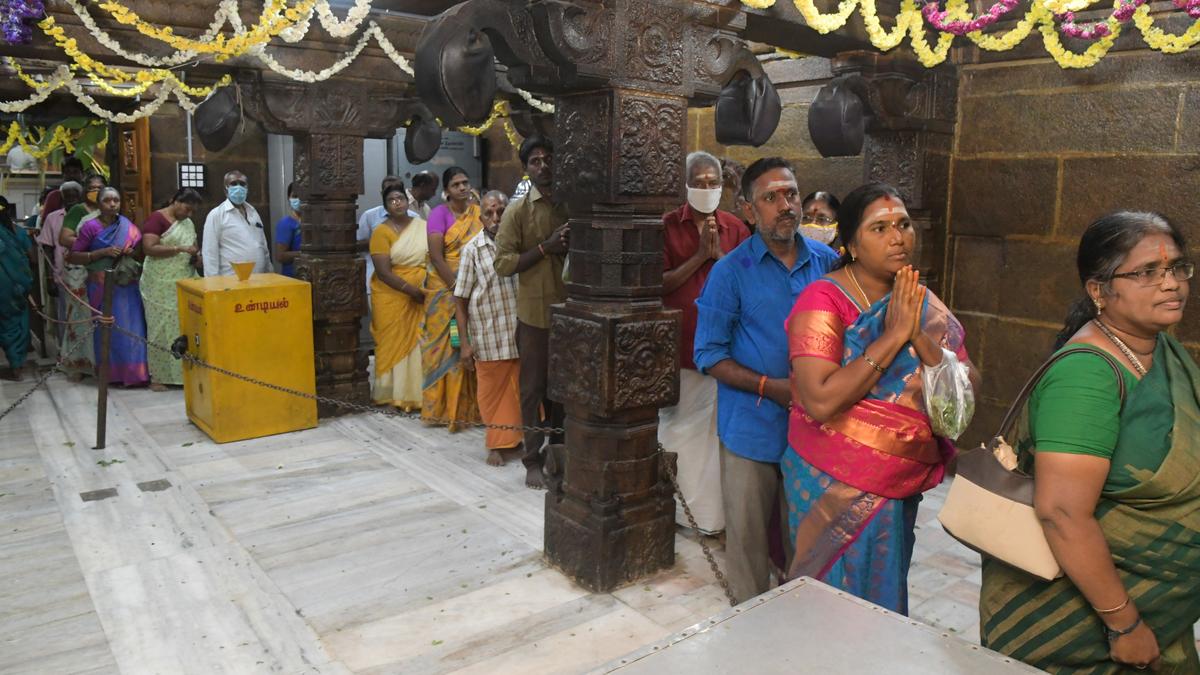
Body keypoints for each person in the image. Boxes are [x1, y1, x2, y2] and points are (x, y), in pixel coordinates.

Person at [980, 212, 1200, 673]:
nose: (1171, 283)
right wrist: (1124, 625)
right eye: (1146, 272)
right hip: (1090, 626)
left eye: (1178, 267)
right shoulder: (1087, 376)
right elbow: (1062, 512)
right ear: (1099, 291)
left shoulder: (1159, 348)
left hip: (1164, 602)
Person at [785, 182, 975, 614]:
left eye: (904, 224)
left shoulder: (919, 302)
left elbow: (964, 394)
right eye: (880, 228)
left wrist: (922, 341)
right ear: (851, 243)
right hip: (830, 481)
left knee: (884, 593)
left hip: (897, 483)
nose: (898, 237)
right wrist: (893, 336)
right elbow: (819, 399)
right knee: (828, 599)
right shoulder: (824, 298)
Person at [693, 157, 839, 603]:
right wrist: (770, 387)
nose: (786, 205)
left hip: (814, 433)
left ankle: (798, 629)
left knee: (810, 543)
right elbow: (708, 353)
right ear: (750, 210)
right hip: (752, 433)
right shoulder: (730, 272)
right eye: (770, 197)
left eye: (791, 194)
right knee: (749, 549)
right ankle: (748, 637)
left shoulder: (828, 263)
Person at [659, 151, 751, 534]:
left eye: (714, 182)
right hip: (681, 347)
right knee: (682, 431)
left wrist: (721, 256)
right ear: (685, 185)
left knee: (719, 438)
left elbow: (749, 280)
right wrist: (700, 257)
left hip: (727, 351)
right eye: (699, 182)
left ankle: (715, 517)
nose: (707, 189)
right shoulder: (667, 225)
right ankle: (683, 513)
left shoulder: (736, 228)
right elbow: (658, 284)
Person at [495, 136, 569, 490]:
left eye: (548, 158)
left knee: (566, 388)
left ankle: (560, 452)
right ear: (526, 168)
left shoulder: (572, 204)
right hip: (536, 317)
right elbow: (503, 263)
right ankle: (532, 459)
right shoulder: (518, 211)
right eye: (536, 161)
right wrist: (545, 247)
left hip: (572, 314)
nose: (544, 166)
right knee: (532, 390)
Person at [454, 190, 523, 465]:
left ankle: (516, 441)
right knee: (492, 395)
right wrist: (463, 344)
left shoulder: (521, 243)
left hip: (520, 334)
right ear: (480, 217)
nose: (496, 218)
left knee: (521, 392)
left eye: (501, 211)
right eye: (489, 213)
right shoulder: (472, 250)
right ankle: (496, 445)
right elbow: (459, 301)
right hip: (488, 338)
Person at [422, 166, 483, 430]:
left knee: (473, 342)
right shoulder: (439, 214)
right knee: (446, 346)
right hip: (445, 287)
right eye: (456, 184)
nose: (462, 187)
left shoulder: (478, 213)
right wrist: (457, 286)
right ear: (446, 190)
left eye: (465, 182)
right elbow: (436, 256)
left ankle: (475, 409)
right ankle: (445, 411)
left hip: (476, 285)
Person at [68, 187, 148, 387]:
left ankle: (135, 374)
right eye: (107, 201)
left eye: (116, 200)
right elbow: (73, 255)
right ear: (99, 204)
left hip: (126, 285)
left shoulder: (126, 225)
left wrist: (129, 251)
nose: (112, 204)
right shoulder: (90, 227)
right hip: (101, 285)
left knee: (132, 328)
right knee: (108, 330)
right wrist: (101, 252)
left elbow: (138, 250)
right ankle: (111, 375)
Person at [369, 183, 428, 410]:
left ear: (407, 201)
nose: (397, 203)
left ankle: (419, 394)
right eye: (392, 200)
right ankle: (394, 394)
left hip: (423, 292)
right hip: (392, 296)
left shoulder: (422, 226)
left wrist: (424, 287)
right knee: (392, 344)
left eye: (400, 198)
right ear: (385, 206)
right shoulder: (381, 232)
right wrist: (411, 290)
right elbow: (383, 273)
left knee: (419, 343)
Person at [140, 188, 202, 391]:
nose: (189, 214)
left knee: (184, 327)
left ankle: (183, 375)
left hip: (184, 279)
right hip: (159, 283)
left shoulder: (188, 223)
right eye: (186, 208)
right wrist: (179, 249)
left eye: (192, 211)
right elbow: (149, 248)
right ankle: (158, 376)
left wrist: (195, 257)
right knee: (160, 329)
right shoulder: (157, 219)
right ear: (175, 201)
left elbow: (192, 246)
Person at [57, 173, 105, 381]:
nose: (95, 192)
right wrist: (92, 244)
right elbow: (65, 238)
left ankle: (100, 364)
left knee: (101, 317)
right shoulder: (78, 211)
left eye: (99, 188)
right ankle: (77, 364)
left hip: (102, 270)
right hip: (79, 271)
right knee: (79, 318)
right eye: (91, 188)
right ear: (85, 191)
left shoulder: (110, 208)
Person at [35, 181, 81, 346]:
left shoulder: (88, 217)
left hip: (85, 275)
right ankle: (65, 355)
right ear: (62, 198)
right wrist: (48, 278)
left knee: (85, 317)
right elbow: (47, 248)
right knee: (64, 316)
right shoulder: (53, 218)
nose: (70, 200)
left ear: (79, 197)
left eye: (73, 196)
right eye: (66, 196)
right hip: (61, 275)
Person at [202, 170, 269, 277]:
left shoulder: (253, 212)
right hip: (231, 280)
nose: (238, 187)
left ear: (247, 189)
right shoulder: (216, 215)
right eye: (233, 184)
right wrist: (213, 284)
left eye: (242, 184)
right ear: (225, 189)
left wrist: (269, 272)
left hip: (259, 278)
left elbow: (263, 245)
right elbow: (209, 253)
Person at [358, 176, 413, 303]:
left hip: (409, 283)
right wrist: (380, 241)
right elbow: (357, 245)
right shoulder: (369, 216)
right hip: (377, 280)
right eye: (388, 190)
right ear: (382, 194)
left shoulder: (415, 219)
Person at [0, 196, 34, 381]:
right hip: (18, 285)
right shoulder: (18, 231)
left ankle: (14, 362)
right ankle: (17, 363)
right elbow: (32, 256)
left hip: (2, 288)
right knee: (19, 320)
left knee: (5, 324)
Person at [38, 156, 85, 224]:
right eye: (68, 172)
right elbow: (44, 223)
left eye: (75, 172)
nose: (71, 175)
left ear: (83, 174)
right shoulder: (53, 196)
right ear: (62, 175)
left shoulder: (87, 195)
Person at [275, 182, 302, 277]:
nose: (298, 199)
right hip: (293, 277)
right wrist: (305, 254)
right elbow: (280, 256)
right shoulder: (286, 223)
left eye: (302, 196)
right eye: (295, 196)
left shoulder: (313, 222)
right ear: (289, 199)